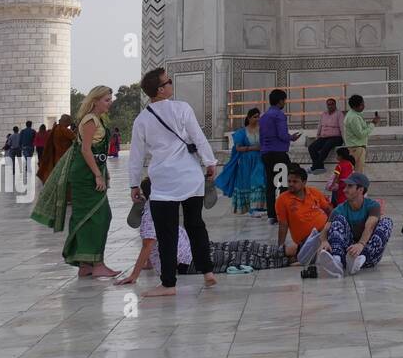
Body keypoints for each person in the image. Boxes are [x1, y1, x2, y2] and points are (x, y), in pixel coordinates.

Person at [129, 68, 219, 296]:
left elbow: (136, 156)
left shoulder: (142, 119)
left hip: (164, 182)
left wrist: (133, 184)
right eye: (168, 82)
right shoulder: (182, 108)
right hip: (190, 177)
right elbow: (198, 137)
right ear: (160, 90)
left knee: (166, 232)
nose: (171, 84)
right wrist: (210, 162)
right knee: (195, 224)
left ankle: (168, 284)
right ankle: (207, 272)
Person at [117, 178, 291, 283]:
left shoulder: (161, 207)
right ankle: (291, 257)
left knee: (242, 245)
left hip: (193, 249)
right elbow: (148, 245)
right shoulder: (151, 214)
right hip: (185, 262)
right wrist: (134, 275)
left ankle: (288, 251)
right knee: (242, 258)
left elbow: (151, 244)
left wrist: (151, 263)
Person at [30, 86, 120, 279]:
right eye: (106, 99)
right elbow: (86, 150)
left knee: (89, 216)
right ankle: (97, 264)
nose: (110, 102)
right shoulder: (90, 120)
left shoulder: (95, 120)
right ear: (95, 101)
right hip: (86, 175)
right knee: (99, 216)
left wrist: (103, 172)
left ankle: (85, 264)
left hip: (89, 172)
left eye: (110, 99)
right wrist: (97, 174)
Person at [315, 173, 392, 276]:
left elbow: (370, 227)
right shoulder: (340, 209)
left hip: (368, 255)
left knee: (386, 222)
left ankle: (359, 260)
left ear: (360, 190)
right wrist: (324, 241)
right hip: (347, 253)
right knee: (338, 219)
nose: (344, 190)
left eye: (350, 186)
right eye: (346, 186)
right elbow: (326, 229)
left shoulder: (373, 206)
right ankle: (337, 261)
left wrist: (361, 245)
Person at [275, 165, 333, 261]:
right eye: (289, 181)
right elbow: (283, 225)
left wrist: (329, 224)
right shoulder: (282, 199)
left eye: (295, 181)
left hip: (326, 231)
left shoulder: (314, 192)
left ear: (304, 182)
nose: (291, 184)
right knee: (322, 251)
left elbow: (329, 209)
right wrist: (280, 248)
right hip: (308, 240)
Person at [259, 89, 301, 224]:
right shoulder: (279, 115)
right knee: (283, 184)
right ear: (280, 101)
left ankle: (271, 215)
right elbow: (282, 135)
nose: (285, 103)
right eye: (284, 100)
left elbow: (261, 137)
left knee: (270, 184)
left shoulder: (264, 116)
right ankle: (282, 213)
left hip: (266, 154)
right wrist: (292, 138)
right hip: (278, 153)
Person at [215, 108, 266, 216]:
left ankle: (259, 206)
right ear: (249, 118)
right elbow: (238, 148)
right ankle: (251, 209)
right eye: (255, 117)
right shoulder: (242, 132)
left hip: (259, 160)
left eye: (258, 117)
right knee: (248, 183)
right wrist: (252, 148)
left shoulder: (262, 130)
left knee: (258, 181)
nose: (257, 119)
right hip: (246, 161)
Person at [308, 97, 344, 173]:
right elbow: (320, 126)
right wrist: (317, 137)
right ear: (327, 105)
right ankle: (319, 166)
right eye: (328, 104)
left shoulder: (339, 114)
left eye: (332, 104)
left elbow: (342, 127)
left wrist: (345, 140)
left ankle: (315, 167)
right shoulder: (324, 114)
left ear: (335, 105)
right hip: (324, 137)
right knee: (311, 147)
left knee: (326, 147)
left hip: (336, 138)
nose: (330, 106)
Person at [343, 94, 373, 163]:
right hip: (356, 148)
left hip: (356, 147)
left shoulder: (354, 114)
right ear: (355, 106)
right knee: (358, 171)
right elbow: (361, 134)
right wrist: (373, 124)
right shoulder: (354, 117)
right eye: (362, 105)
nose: (364, 106)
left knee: (356, 171)